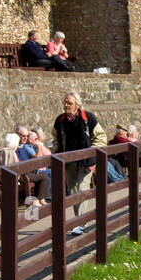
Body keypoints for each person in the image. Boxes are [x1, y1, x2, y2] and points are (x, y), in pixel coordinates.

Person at [53, 93, 104, 234]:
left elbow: (101, 138)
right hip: (68, 161)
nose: (66, 105)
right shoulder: (60, 120)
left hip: (86, 161)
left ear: (78, 105)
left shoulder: (88, 118)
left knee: (82, 188)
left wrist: (93, 155)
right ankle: (78, 221)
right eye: (65, 102)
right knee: (74, 192)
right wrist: (56, 154)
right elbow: (55, 138)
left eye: (69, 102)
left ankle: (80, 223)